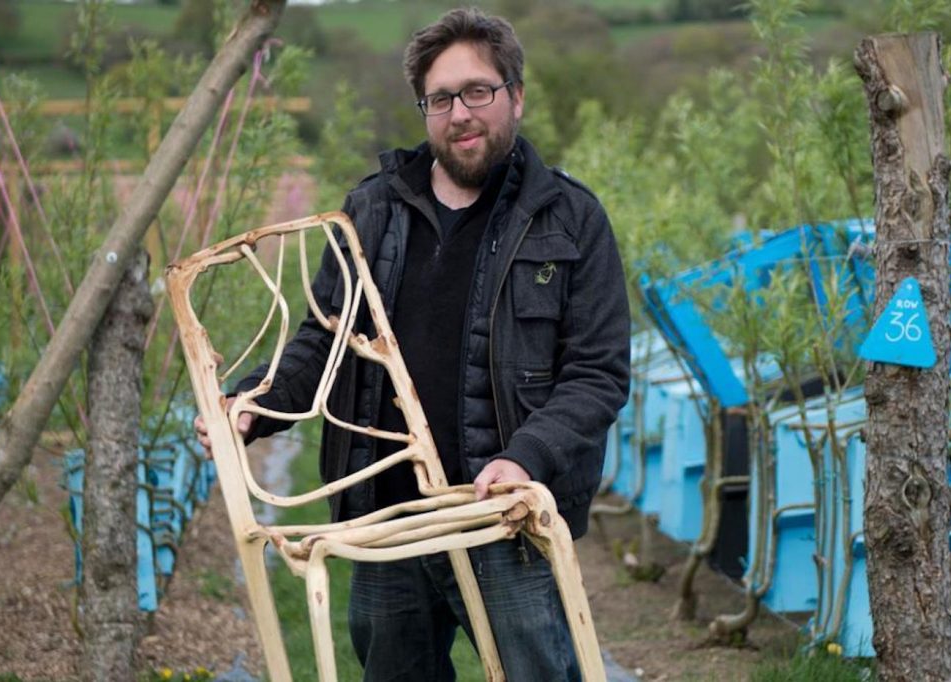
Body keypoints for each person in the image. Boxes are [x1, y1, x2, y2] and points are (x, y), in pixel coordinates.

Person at [196, 7, 630, 680]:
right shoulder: (371, 211)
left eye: (478, 91)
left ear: (516, 96)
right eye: (440, 98)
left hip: (504, 519)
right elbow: (325, 340)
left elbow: (597, 373)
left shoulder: (570, 220)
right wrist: (254, 404)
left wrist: (526, 458)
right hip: (387, 520)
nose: (460, 114)